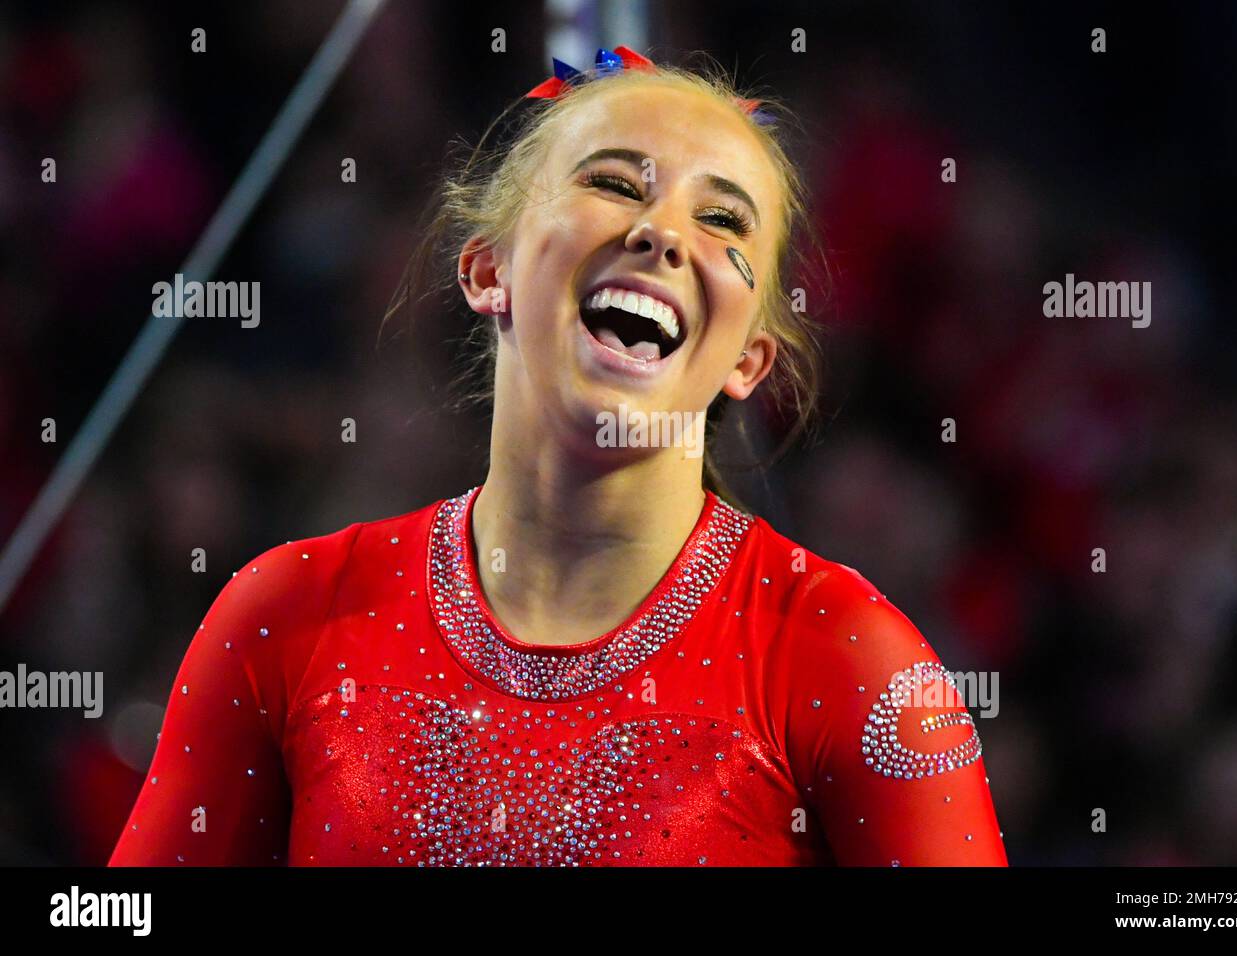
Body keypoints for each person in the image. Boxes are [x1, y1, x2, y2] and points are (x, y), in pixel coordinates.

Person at [108, 47, 1007, 866]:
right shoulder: (289, 613)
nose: (663, 233)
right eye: (616, 183)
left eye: (722, 220)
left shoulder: (845, 657)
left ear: (747, 361)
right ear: (487, 270)